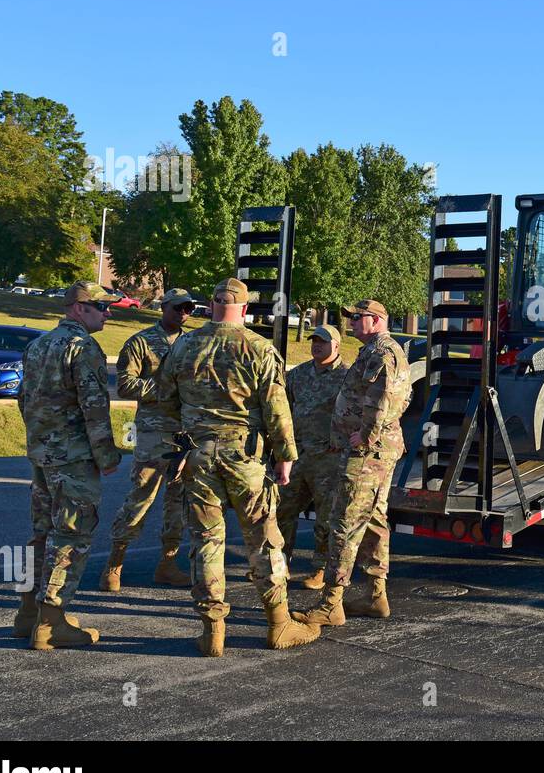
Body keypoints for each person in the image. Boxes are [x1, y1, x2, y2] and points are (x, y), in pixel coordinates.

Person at [157, 278, 319, 657]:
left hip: (198, 455)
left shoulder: (184, 344)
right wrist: (285, 458)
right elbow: (277, 410)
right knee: (264, 539)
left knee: (206, 543)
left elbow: (165, 399)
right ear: (245, 309)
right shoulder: (259, 348)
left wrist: (182, 442)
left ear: (212, 305)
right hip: (245, 459)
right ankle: (279, 624)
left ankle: (213, 630)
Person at [15, 282, 121, 650]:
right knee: (71, 535)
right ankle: (51, 622)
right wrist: (106, 457)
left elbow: (23, 398)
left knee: (42, 532)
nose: (108, 312)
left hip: (42, 455)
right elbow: (94, 407)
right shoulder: (82, 347)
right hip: (73, 459)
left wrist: (41, 438)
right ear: (78, 309)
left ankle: (27, 612)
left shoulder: (37, 345)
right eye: (101, 306)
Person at [295, 299, 410, 627]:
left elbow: (382, 398)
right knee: (373, 520)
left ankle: (331, 602)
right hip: (375, 451)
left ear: (375, 320)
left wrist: (367, 434)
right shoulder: (377, 349)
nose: (351, 323)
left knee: (343, 522)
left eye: (357, 318)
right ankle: (376, 595)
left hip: (367, 455)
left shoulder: (381, 353)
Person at [99, 288, 194, 592]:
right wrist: (166, 389)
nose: (183, 313)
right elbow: (125, 385)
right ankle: (114, 565)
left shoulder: (192, 342)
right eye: (178, 307)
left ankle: (167, 564)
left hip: (186, 435)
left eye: (188, 308)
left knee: (178, 502)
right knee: (141, 498)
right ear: (163, 307)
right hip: (154, 433)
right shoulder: (140, 342)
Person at [277, 324, 348, 589]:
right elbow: (283, 407)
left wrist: (339, 439)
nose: (317, 345)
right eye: (314, 341)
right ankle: (280, 564)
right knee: (283, 509)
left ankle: (320, 569)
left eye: (323, 341)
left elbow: (357, 412)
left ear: (337, 346)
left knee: (326, 518)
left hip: (328, 458)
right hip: (297, 454)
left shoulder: (347, 376)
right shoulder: (298, 374)